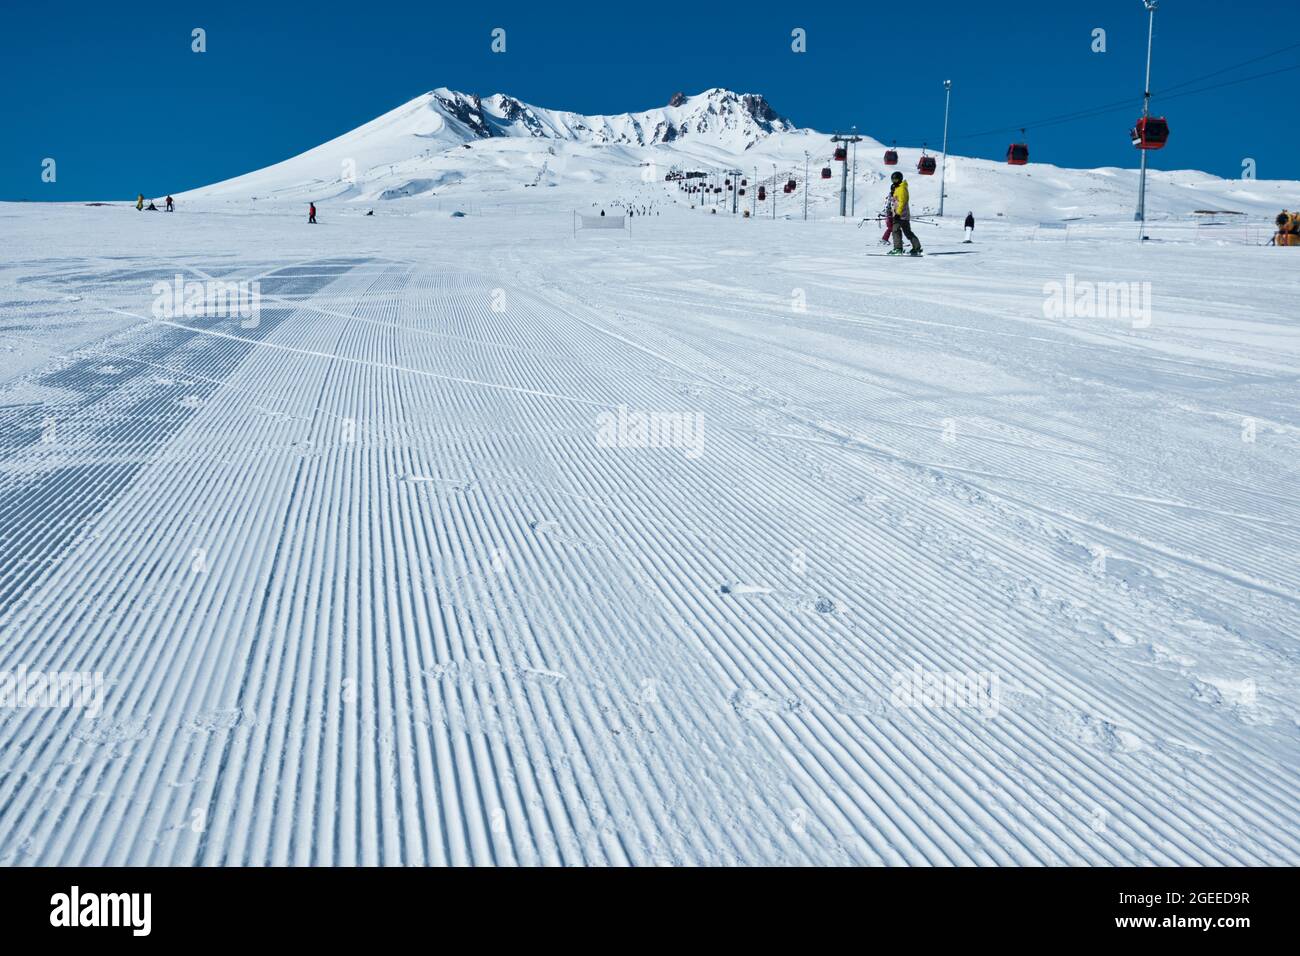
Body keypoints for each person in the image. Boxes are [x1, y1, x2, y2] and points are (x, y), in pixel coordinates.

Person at [887, 172, 921, 256]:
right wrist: (892, 193)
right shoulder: (898, 188)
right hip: (902, 214)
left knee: (895, 230)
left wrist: (898, 214)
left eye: (896, 179)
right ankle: (917, 247)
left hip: (901, 214)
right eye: (893, 179)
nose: (894, 181)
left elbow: (902, 202)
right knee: (907, 231)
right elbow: (895, 201)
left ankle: (898, 249)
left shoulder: (901, 188)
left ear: (900, 179)